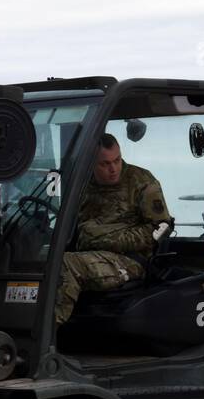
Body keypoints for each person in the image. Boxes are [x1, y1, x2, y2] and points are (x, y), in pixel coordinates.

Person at [54, 133, 173, 326]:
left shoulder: (141, 181)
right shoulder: (80, 183)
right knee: (44, 260)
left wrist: (105, 238)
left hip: (130, 260)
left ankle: (45, 336)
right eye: (105, 164)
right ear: (90, 164)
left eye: (117, 160)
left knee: (65, 264)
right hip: (87, 255)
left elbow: (159, 229)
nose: (113, 169)